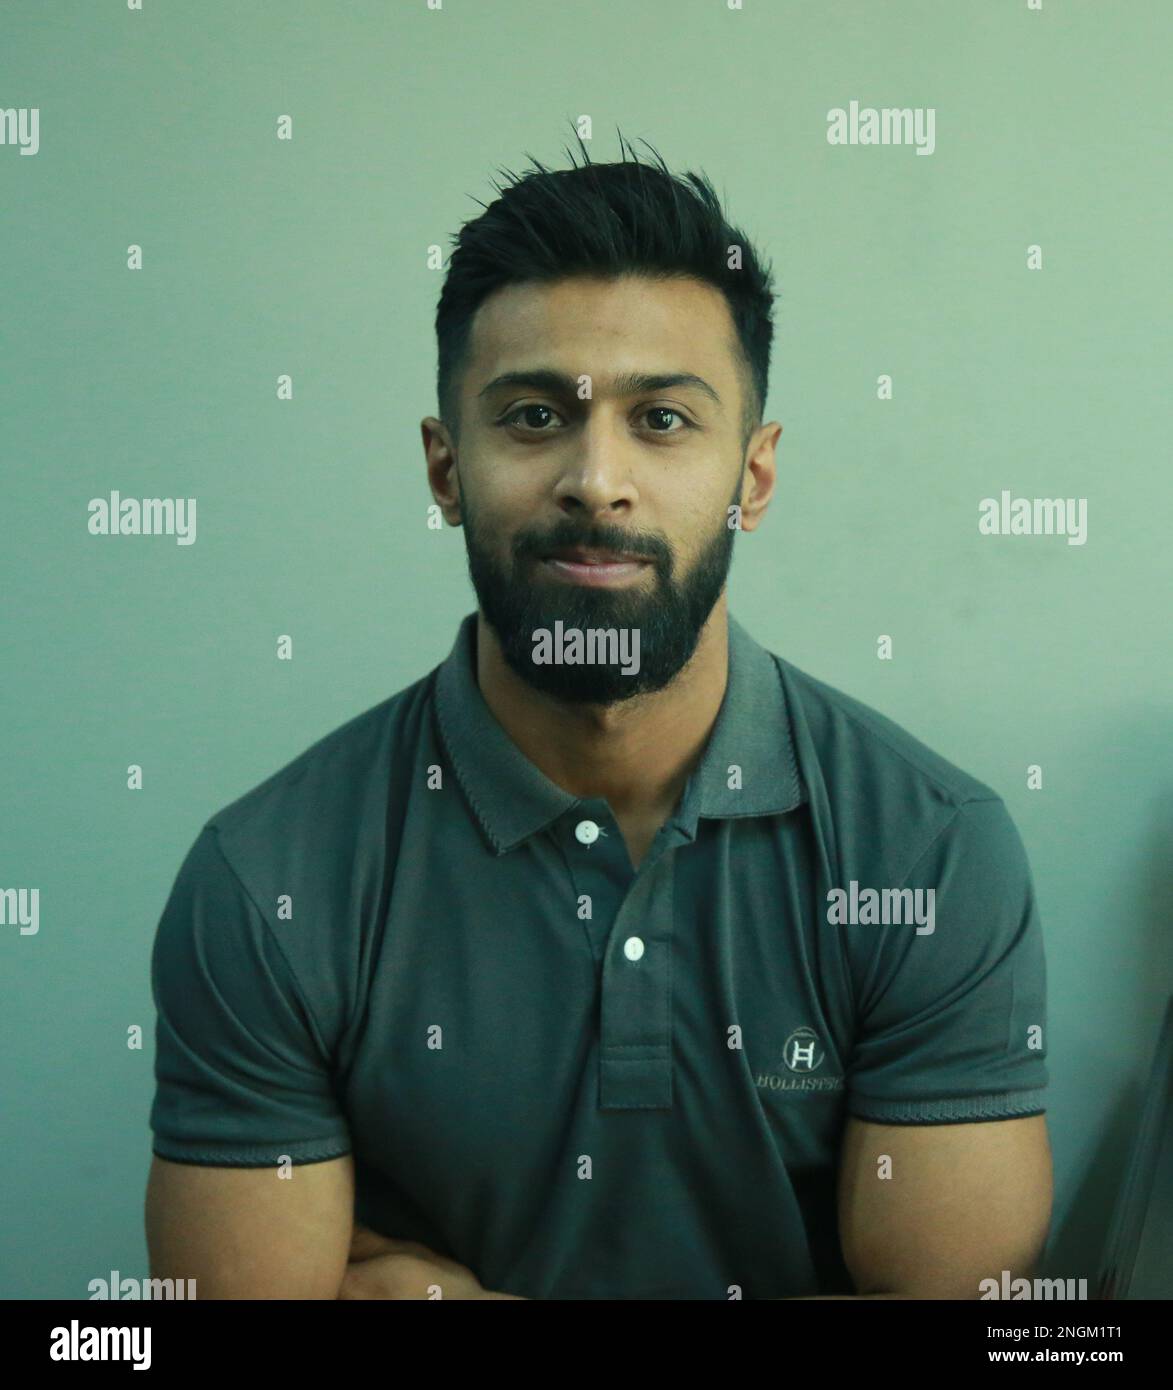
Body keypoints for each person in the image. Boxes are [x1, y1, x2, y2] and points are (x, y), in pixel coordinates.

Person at [145, 135, 1052, 1299]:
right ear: (444, 469)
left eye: (663, 420)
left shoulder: (929, 851)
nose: (595, 480)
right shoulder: (266, 878)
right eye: (531, 416)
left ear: (753, 477)